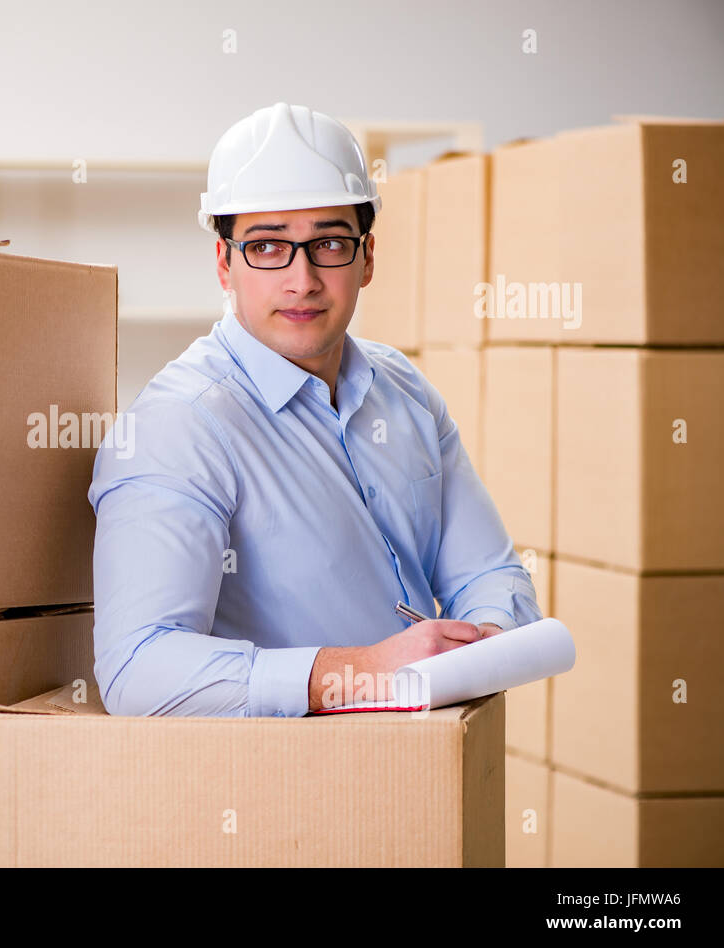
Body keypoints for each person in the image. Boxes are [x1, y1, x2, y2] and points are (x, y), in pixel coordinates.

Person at [88, 102, 542, 716]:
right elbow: (138, 670)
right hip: (279, 793)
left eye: (329, 243)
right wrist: (365, 672)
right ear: (224, 262)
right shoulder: (178, 426)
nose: (302, 280)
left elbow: (489, 575)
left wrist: (484, 644)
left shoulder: (403, 389)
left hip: (427, 770)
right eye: (268, 246)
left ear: (368, 256)